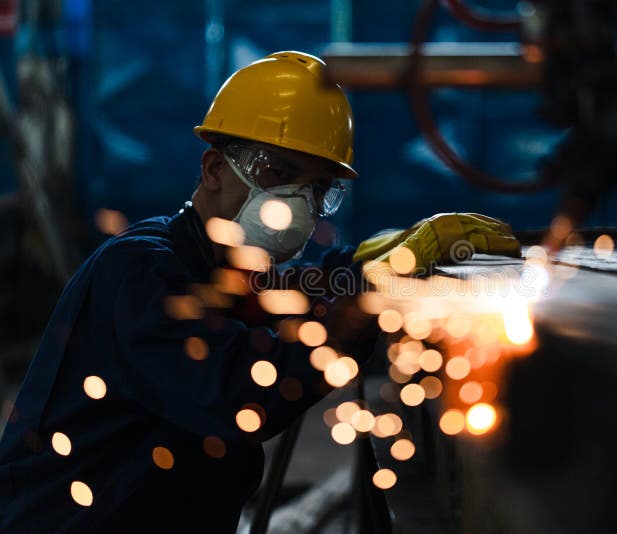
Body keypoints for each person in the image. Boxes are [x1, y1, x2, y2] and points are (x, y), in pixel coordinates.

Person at [0, 51, 375, 532]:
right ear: (214, 168)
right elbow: (236, 395)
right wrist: (340, 332)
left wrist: (384, 260)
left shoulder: (225, 270)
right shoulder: (142, 270)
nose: (299, 204)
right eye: (279, 174)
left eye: (317, 190)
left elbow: (307, 282)